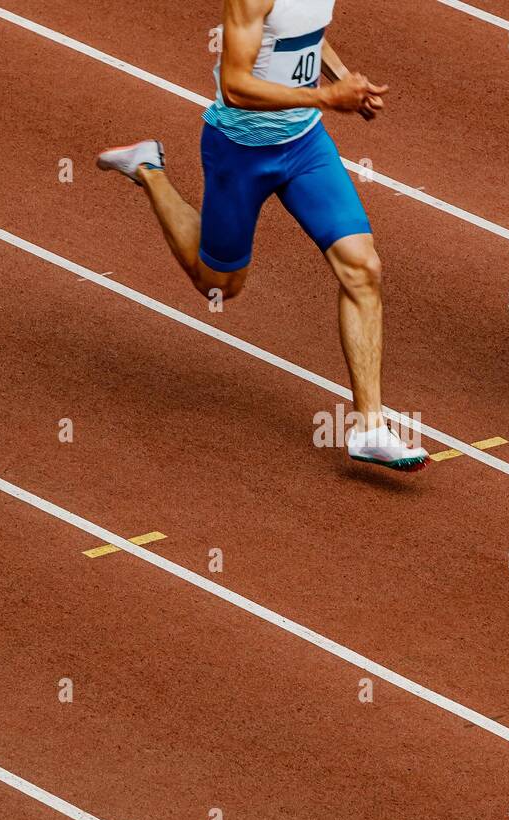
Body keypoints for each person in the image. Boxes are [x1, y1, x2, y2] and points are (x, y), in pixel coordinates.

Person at [97, 0, 427, 471]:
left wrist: (341, 77)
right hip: (240, 152)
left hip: (305, 145)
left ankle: (369, 427)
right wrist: (326, 100)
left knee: (363, 266)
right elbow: (234, 86)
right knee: (218, 285)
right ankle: (148, 168)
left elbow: (305, 35)